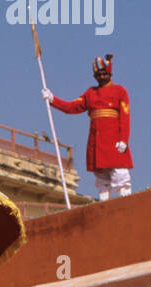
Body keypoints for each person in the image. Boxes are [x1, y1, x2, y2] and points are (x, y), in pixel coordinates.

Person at [42, 54, 132, 201]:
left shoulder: (120, 91)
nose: (101, 76)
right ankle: (104, 203)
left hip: (114, 140)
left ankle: (127, 201)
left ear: (110, 73)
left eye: (104, 73)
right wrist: (52, 99)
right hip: (96, 141)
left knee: (120, 174)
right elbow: (72, 107)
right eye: (98, 74)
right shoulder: (90, 93)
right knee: (101, 178)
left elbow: (125, 118)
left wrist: (123, 139)